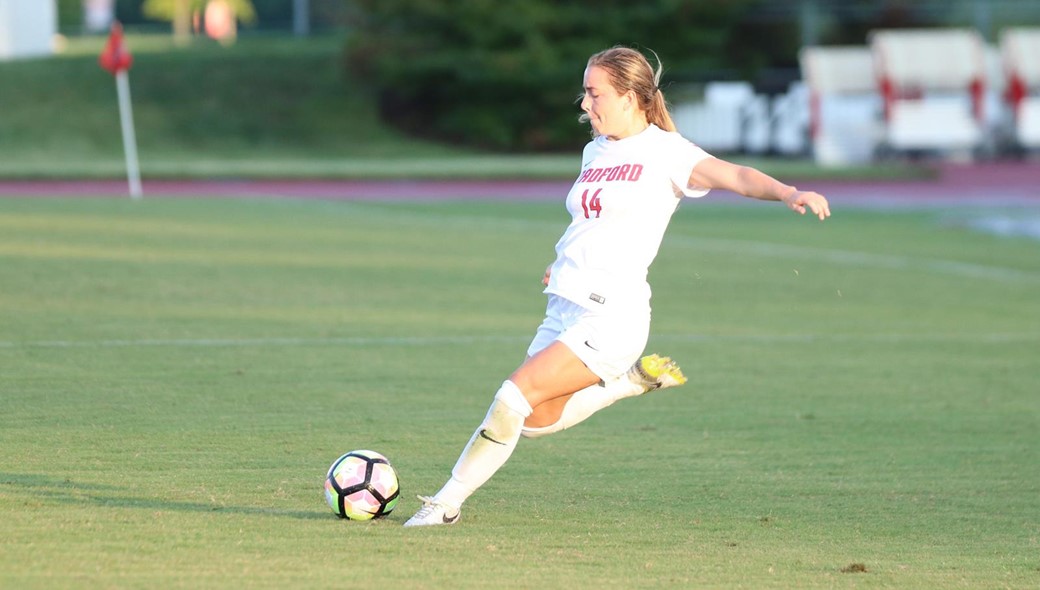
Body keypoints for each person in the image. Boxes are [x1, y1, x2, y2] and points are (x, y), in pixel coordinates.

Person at [403, 46, 831, 527]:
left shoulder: (667, 152)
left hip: (613, 316)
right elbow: (593, 220)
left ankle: (444, 503)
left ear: (630, 96)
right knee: (535, 421)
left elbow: (737, 175)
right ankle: (625, 384)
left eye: (594, 93)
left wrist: (790, 192)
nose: (585, 105)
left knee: (512, 397)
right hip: (567, 302)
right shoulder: (596, 150)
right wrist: (563, 265)